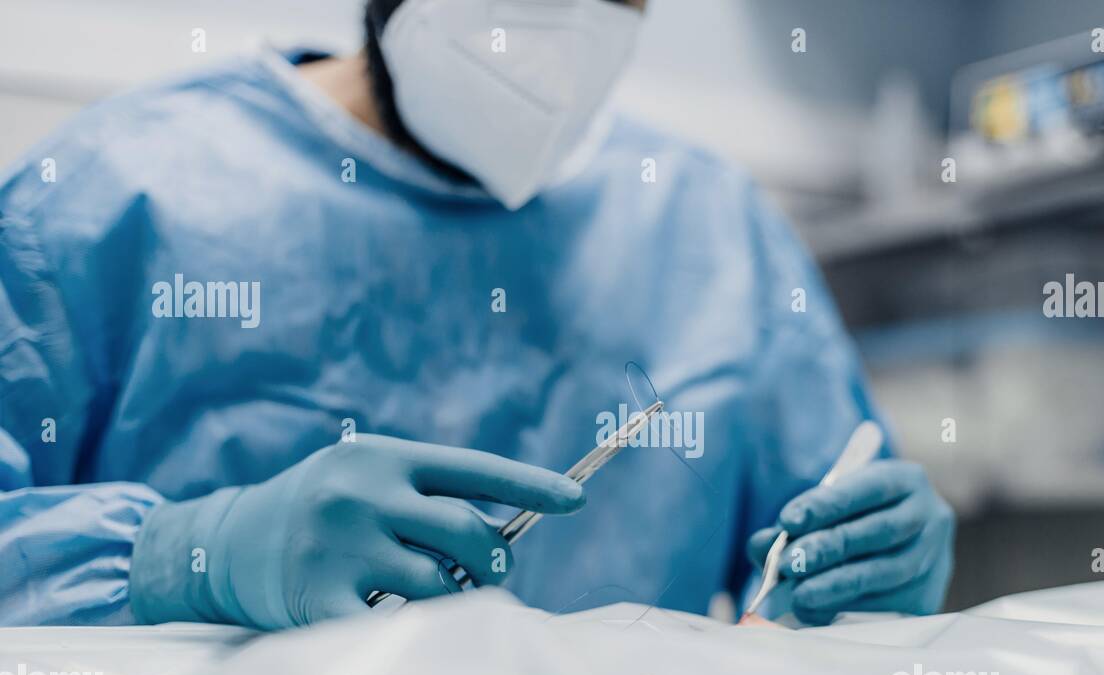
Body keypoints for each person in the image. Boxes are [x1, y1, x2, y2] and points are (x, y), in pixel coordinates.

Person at [0, 0, 954, 630]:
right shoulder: (106, 199)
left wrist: (866, 588)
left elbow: (810, 563)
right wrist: (188, 556)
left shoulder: (706, 226)